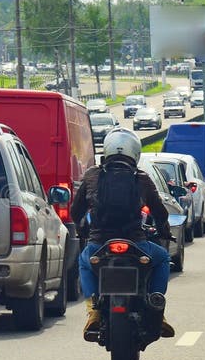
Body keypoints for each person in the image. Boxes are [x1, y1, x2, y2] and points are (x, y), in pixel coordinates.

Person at [71, 128, 175, 341]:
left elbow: (76, 211)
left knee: (85, 262)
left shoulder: (92, 175)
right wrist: (165, 231)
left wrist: (84, 232)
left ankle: (94, 309)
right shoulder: (142, 178)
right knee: (163, 257)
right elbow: (160, 211)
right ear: (135, 153)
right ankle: (157, 304)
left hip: (99, 243)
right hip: (136, 242)